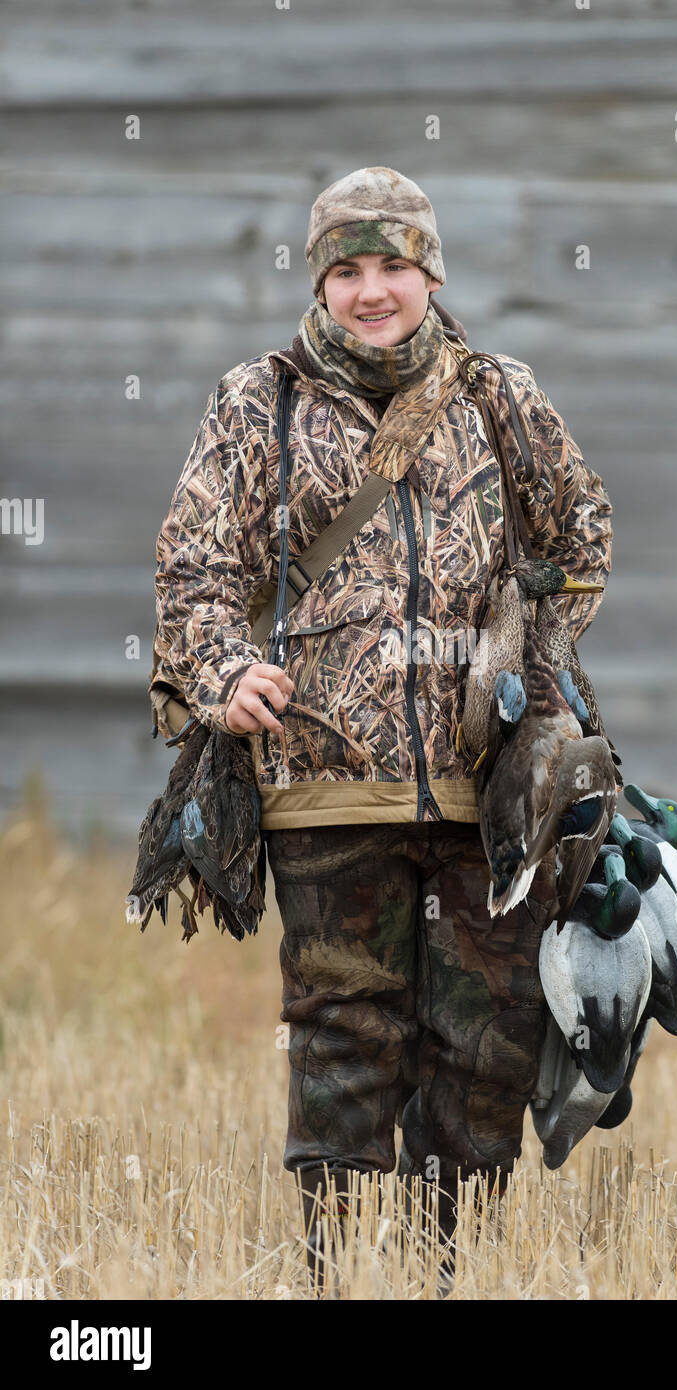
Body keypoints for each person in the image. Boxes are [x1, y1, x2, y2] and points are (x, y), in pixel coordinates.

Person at [150, 166, 613, 1281]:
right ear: (320, 277)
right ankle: (335, 1274)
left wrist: (520, 653)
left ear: (430, 272)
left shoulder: (499, 394)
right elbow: (194, 570)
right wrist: (222, 671)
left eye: (393, 265)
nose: (371, 291)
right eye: (347, 269)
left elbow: (582, 535)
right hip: (321, 781)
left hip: (486, 792)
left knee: (485, 1047)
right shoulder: (258, 401)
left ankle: (445, 1274)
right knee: (344, 1042)